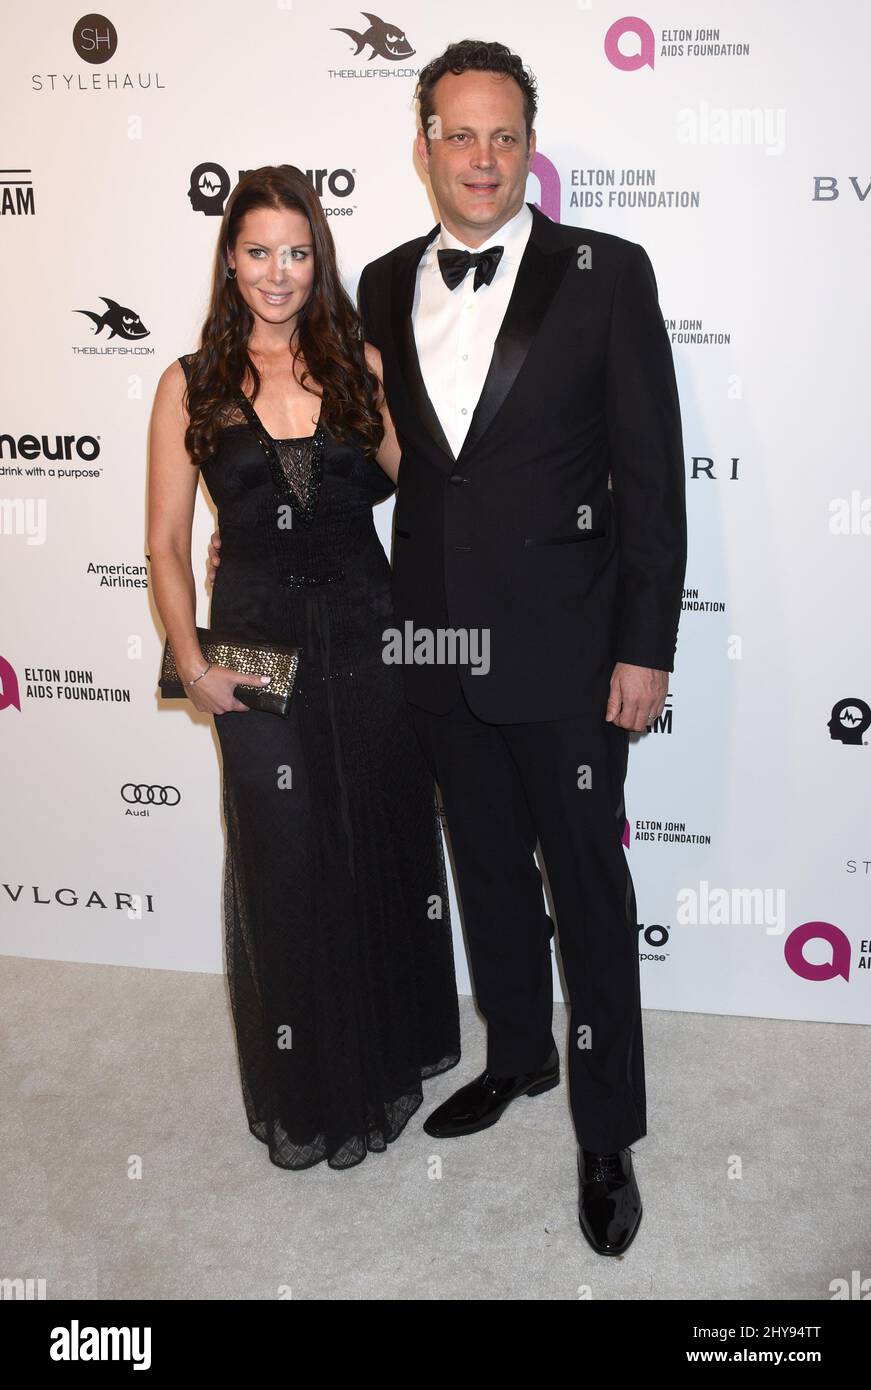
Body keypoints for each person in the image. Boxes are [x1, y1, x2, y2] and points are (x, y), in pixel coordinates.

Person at [210, 39, 687, 1254]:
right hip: (423, 644)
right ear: (422, 144)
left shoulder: (607, 273)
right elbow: (343, 459)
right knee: (479, 872)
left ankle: (605, 1130)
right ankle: (518, 1057)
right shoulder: (367, 287)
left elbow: (650, 481)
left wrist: (644, 649)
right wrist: (247, 555)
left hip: (572, 650)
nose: (482, 158)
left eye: (504, 135)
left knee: (584, 889)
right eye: (459, 134)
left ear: (530, 147)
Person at [147, 164, 460, 1172]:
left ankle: (381, 1066)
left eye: (296, 251)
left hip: (367, 640)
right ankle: (312, 1093)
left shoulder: (360, 362)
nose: (276, 273)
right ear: (228, 258)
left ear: (315, 258)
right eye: (256, 251)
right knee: (285, 865)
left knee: (377, 847)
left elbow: (430, 497)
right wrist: (191, 664)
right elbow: (160, 544)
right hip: (247, 648)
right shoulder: (186, 382)